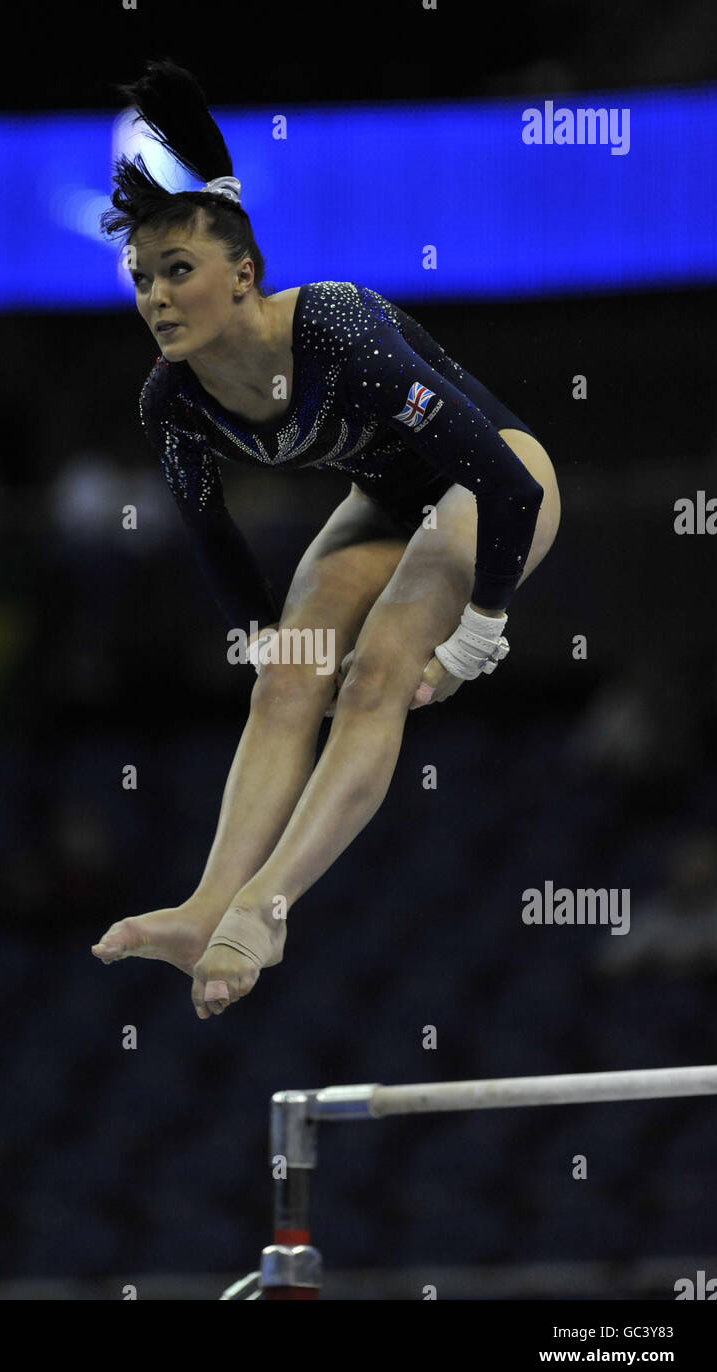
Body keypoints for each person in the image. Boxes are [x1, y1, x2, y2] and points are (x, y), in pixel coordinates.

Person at [91, 57, 561, 1018]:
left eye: (179, 272)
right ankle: (207, 902)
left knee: (379, 668)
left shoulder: (337, 329)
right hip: (384, 501)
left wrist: (480, 627)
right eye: (142, 279)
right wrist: (265, 639)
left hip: (500, 483)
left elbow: (502, 482)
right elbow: (211, 537)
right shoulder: (171, 398)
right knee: (289, 679)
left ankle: (267, 907)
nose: (157, 298)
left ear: (245, 273)